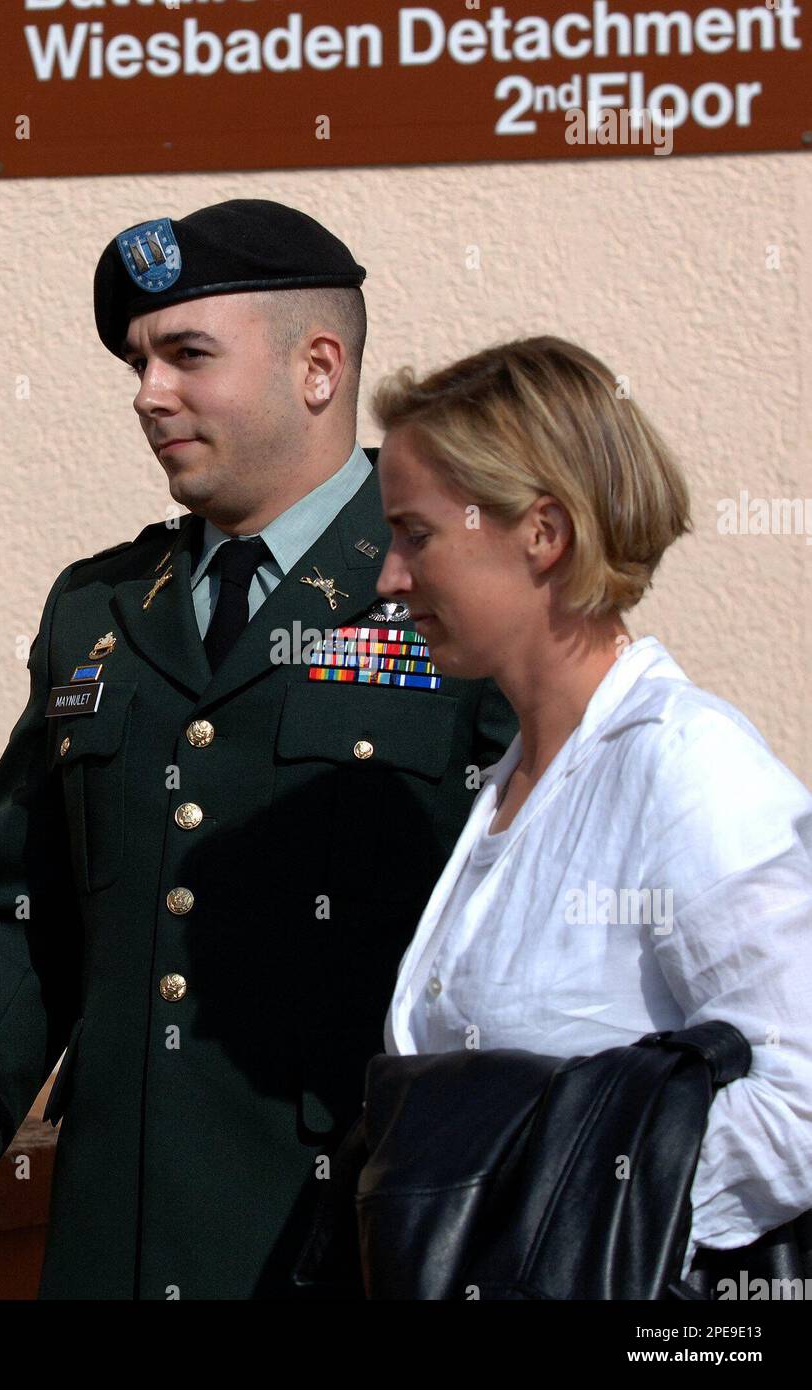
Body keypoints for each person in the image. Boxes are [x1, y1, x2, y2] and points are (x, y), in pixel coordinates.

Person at [0, 199, 517, 1300]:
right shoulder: (101, 607)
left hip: (341, 1239)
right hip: (117, 1235)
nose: (148, 393)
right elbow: (21, 912)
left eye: (186, 355)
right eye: (139, 361)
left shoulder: (443, 584)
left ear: (318, 367)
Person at [371, 335, 812, 1280]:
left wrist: (568, 1237)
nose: (390, 579)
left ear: (543, 533)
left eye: (418, 535)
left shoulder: (684, 766)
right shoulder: (516, 777)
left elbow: (803, 1094)